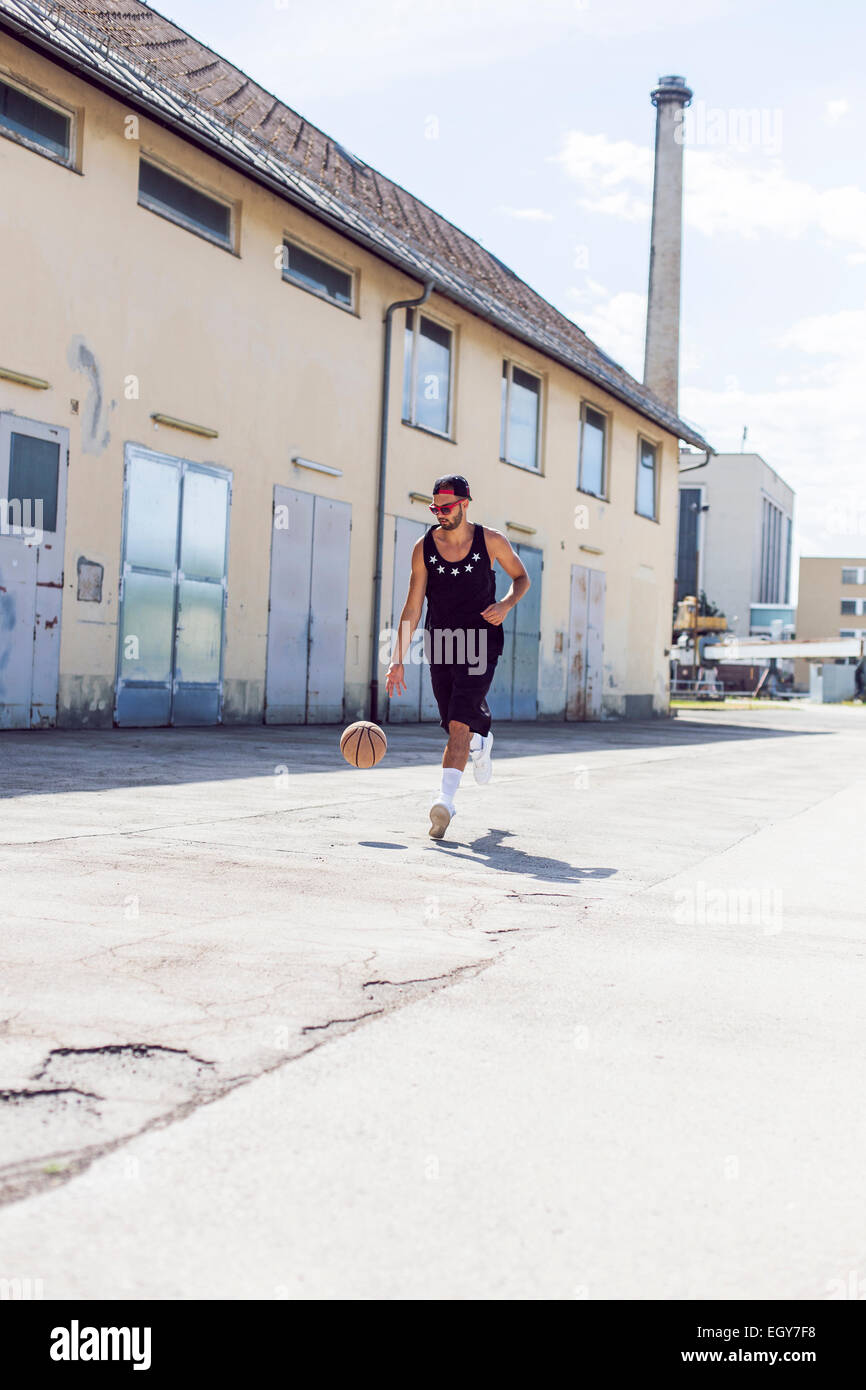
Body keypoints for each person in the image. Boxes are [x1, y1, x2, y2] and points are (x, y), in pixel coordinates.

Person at [384, 475, 530, 838]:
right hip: (442, 642)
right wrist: (397, 659)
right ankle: (481, 744)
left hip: (482, 640)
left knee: (461, 722)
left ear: (466, 503)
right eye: (435, 508)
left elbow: (522, 578)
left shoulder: (491, 541)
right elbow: (413, 606)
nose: (440, 514)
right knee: (455, 726)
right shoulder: (423, 547)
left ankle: (445, 802)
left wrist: (507, 604)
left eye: (446, 508)